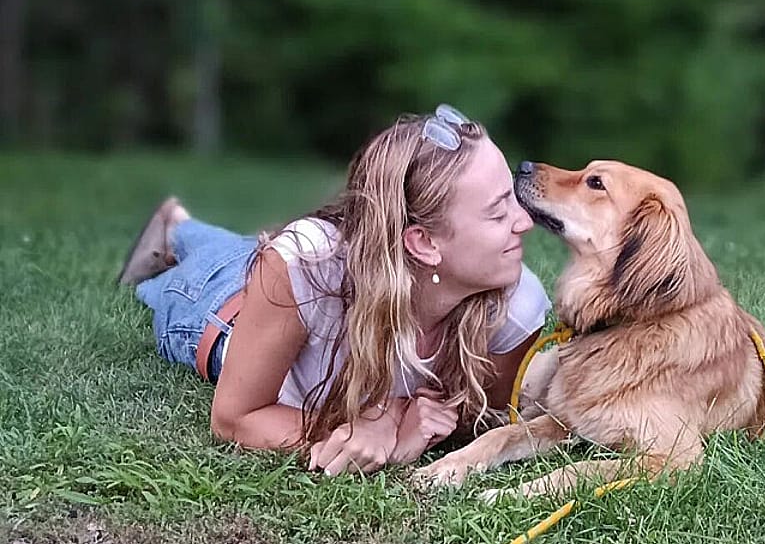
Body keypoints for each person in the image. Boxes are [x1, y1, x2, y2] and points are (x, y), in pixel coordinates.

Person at [117, 105, 550, 476]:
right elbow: (234, 419)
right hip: (220, 312)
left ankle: (183, 226)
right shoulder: (304, 267)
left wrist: (401, 415)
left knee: (241, 251)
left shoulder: (515, 303)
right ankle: (176, 229)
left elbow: (481, 414)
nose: (525, 222)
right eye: (497, 214)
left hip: (309, 267)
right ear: (424, 242)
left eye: (512, 199)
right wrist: (356, 424)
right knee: (172, 287)